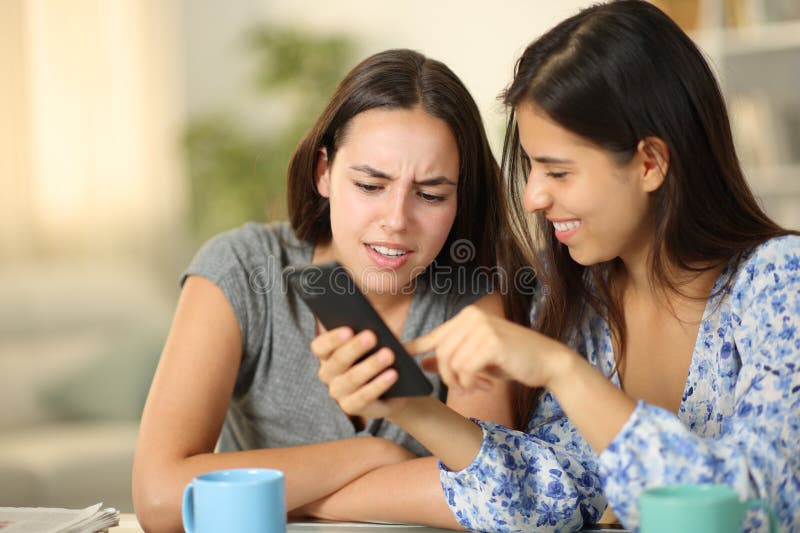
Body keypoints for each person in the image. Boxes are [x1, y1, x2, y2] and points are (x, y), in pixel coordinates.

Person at [313, 2, 800, 531]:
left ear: (649, 163)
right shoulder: (577, 296)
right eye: (530, 166)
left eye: (558, 171)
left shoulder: (779, 284)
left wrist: (561, 371)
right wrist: (408, 404)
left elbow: (758, 508)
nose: (532, 198)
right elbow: (546, 498)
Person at [132, 48, 519, 532]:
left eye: (431, 195)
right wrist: (376, 454)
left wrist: (283, 498)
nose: (397, 221)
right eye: (371, 185)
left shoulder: (471, 301)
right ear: (324, 173)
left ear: (459, 201)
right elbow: (160, 498)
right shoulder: (241, 268)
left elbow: (496, 496)